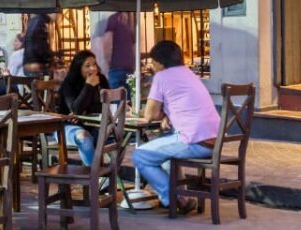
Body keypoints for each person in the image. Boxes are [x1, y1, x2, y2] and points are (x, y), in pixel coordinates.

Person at [131, 40, 218, 213]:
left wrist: (138, 111)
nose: (152, 67)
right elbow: (179, 103)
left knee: (140, 156)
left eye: (153, 63)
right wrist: (166, 114)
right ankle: (180, 197)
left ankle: (177, 198)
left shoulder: (162, 76)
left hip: (194, 141)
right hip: (213, 140)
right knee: (164, 149)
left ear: (160, 63)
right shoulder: (189, 73)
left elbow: (149, 115)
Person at [57, 50, 110, 167]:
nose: (93, 68)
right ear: (78, 68)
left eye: (94, 64)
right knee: (84, 138)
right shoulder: (69, 83)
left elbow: (106, 105)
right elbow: (76, 110)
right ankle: (97, 178)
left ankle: (99, 178)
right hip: (66, 126)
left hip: (92, 125)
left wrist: (84, 113)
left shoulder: (101, 79)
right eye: (87, 66)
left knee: (116, 138)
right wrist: (89, 86)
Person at [102, 12, 135, 91]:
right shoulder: (116, 19)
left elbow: (107, 41)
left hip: (119, 69)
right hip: (124, 69)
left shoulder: (128, 22)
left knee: (117, 99)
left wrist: (108, 61)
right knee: (128, 99)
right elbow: (107, 41)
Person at [22, 13, 54, 77]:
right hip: (36, 67)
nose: (59, 16)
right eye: (58, 14)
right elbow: (33, 42)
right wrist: (33, 62)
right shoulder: (39, 22)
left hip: (34, 65)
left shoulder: (38, 21)